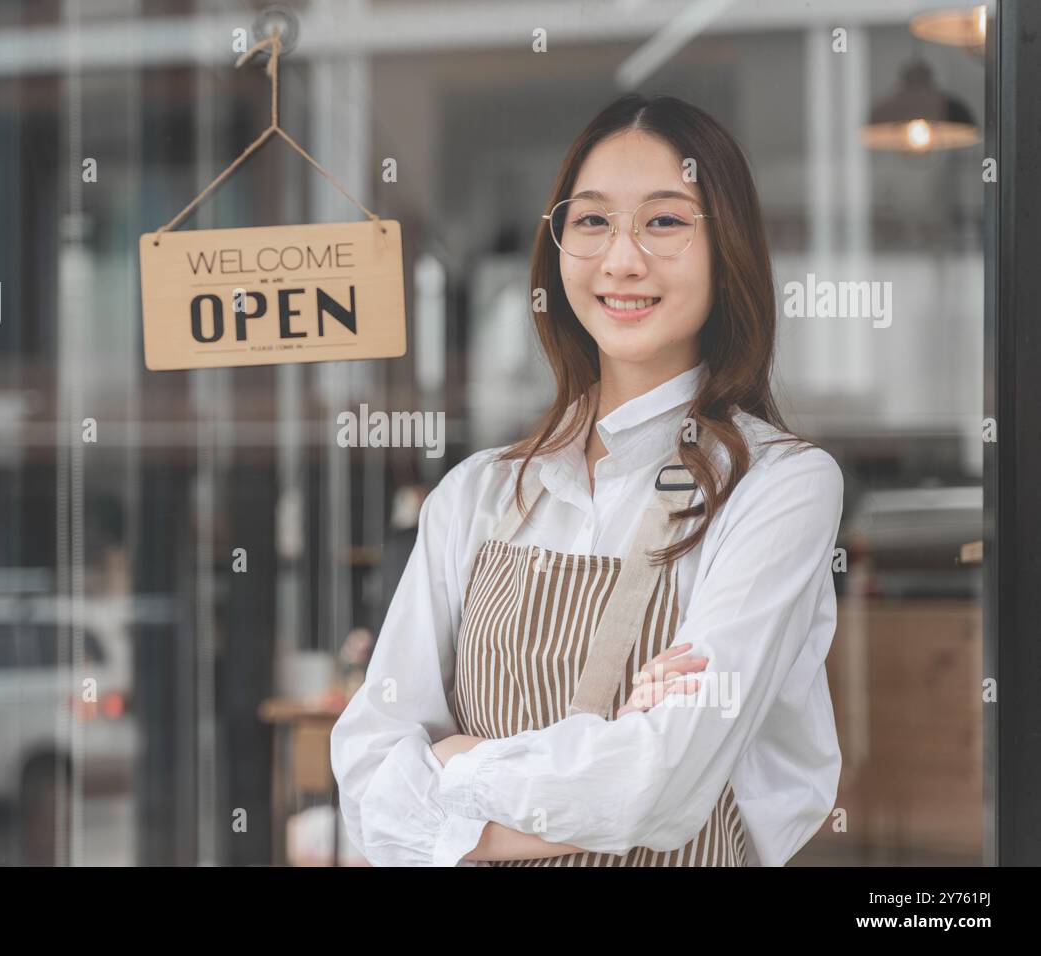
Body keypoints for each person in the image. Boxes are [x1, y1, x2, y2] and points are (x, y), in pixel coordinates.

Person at [329, 93, 845, 867]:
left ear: (727, 249)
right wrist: (608, 755)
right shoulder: (477, 494)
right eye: (593, 221)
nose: (623, 258)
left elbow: (659, 787)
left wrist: (451, 767)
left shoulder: (779, 487)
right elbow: (369, 784)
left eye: (665, 221)